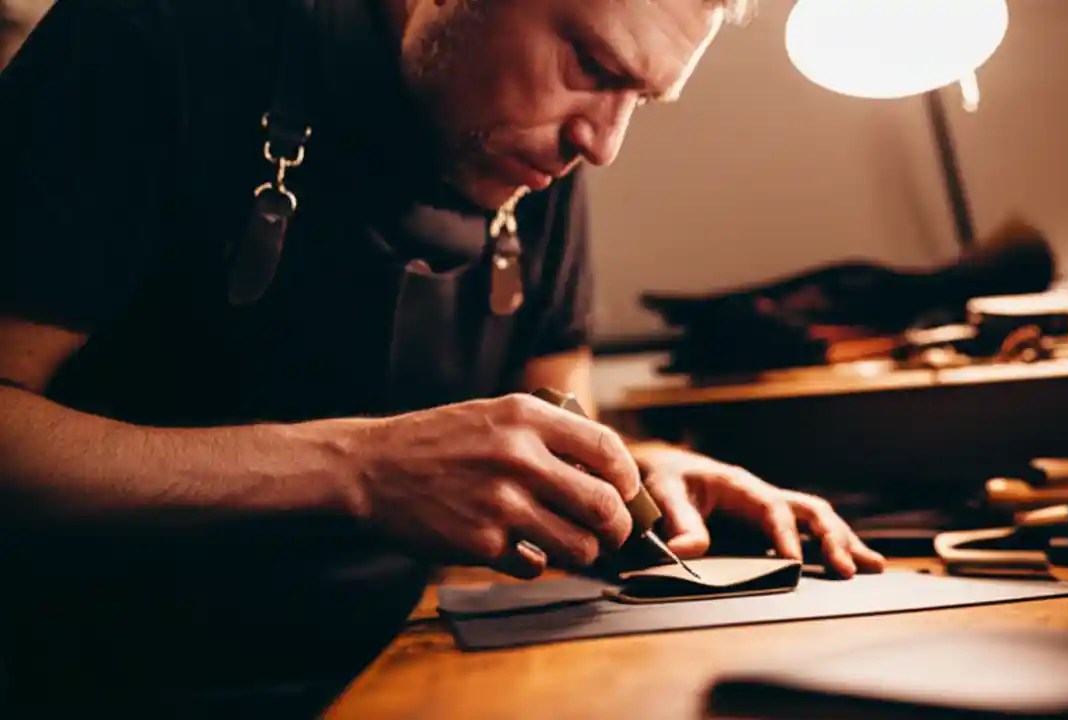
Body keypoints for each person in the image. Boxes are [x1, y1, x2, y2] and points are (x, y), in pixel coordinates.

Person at [0, 0, 884, 714]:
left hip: (412, 657)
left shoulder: (535, 155)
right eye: (592, 66)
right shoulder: (154, 37)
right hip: (115, 679)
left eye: (641, 98)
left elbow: (556, 413)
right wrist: (358, 469)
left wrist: (633, 477)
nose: (604, 144)